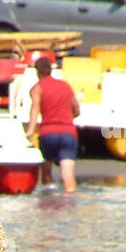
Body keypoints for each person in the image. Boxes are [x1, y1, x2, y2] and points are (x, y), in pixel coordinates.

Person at [25, 55, 80, 193]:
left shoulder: (37, 88)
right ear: (51, 70)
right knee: (68, 175)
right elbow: (77, 110)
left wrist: (30, 131)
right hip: (68, 133)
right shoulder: (65, 86)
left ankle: (49, 203)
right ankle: (70, 203)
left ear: (37, 72)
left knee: (46, 170)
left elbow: (35, 109)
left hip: (48, 134)